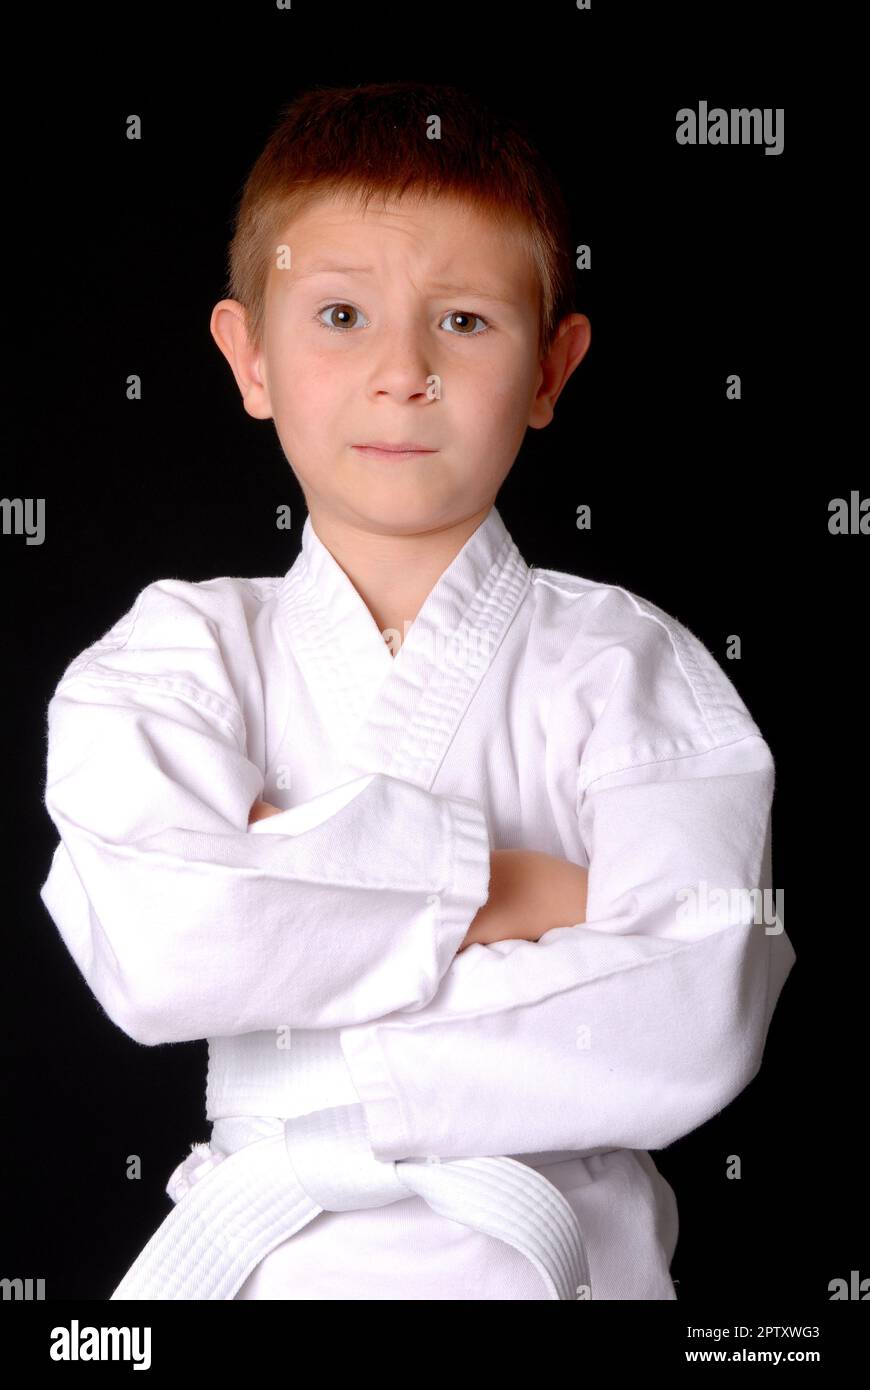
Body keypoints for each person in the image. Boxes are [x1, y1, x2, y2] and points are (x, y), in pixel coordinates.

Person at [39, 80, 795, 1301]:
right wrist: (512, 889)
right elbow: (161, 939)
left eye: (466, 323)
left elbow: (700, 998)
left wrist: (304, 924)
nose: (404, 373)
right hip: (262, 1263)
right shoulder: (176, 654)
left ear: (553, 367)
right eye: (340, 313)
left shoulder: (630, 665)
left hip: (557, 1262)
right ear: (250, 356)